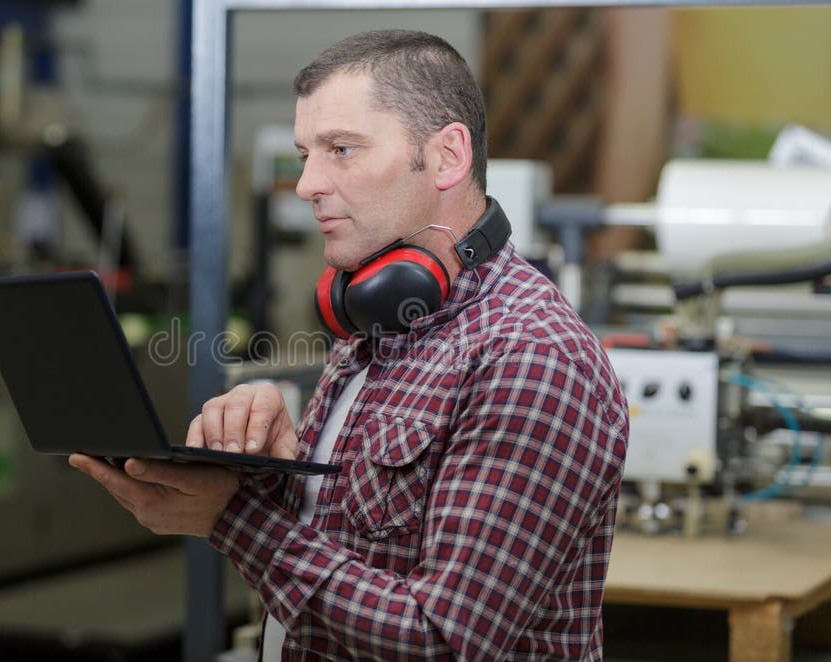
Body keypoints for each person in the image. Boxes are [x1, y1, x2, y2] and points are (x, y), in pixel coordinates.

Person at [70, 29, 628, 661]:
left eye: (341, 149)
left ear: (447, 157)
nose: (308, 183)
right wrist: (269, 474)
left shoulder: (530, 357)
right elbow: (348, 548)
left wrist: (228, 519)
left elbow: (440, 641)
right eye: (308, 153)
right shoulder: (377, 319)